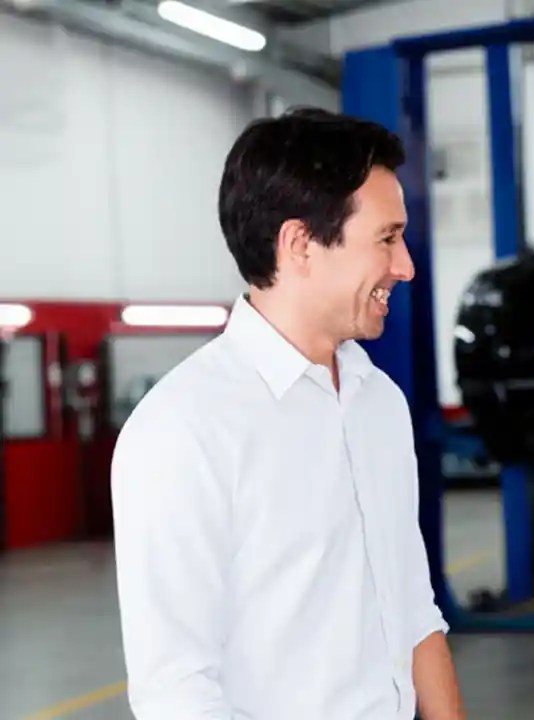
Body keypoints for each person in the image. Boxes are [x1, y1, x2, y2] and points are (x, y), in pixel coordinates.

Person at [111, 108, 466, 719]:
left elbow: (412, 606)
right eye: (386, 238)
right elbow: (177, 690)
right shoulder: (182, 430)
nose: (405, 266)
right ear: (300, 244)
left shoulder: (376, 401)